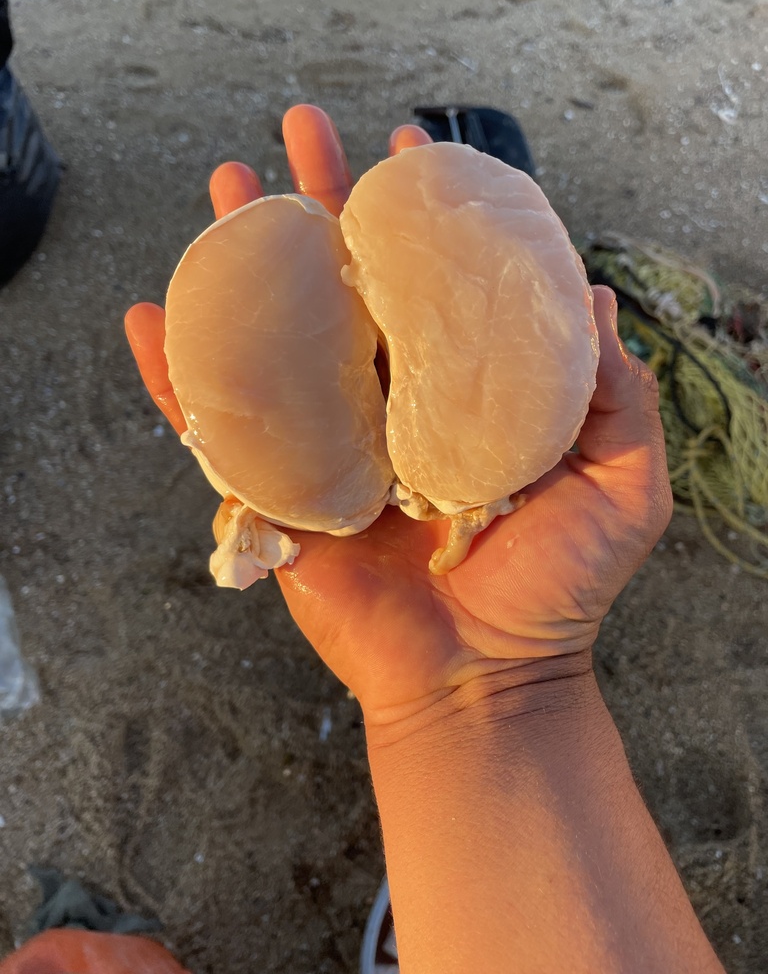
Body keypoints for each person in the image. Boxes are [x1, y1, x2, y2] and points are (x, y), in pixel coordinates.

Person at [125, 105, 727, 974]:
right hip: (429, 474)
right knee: (395, 224)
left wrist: (479, 686)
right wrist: (504, 676)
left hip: (451, 468)